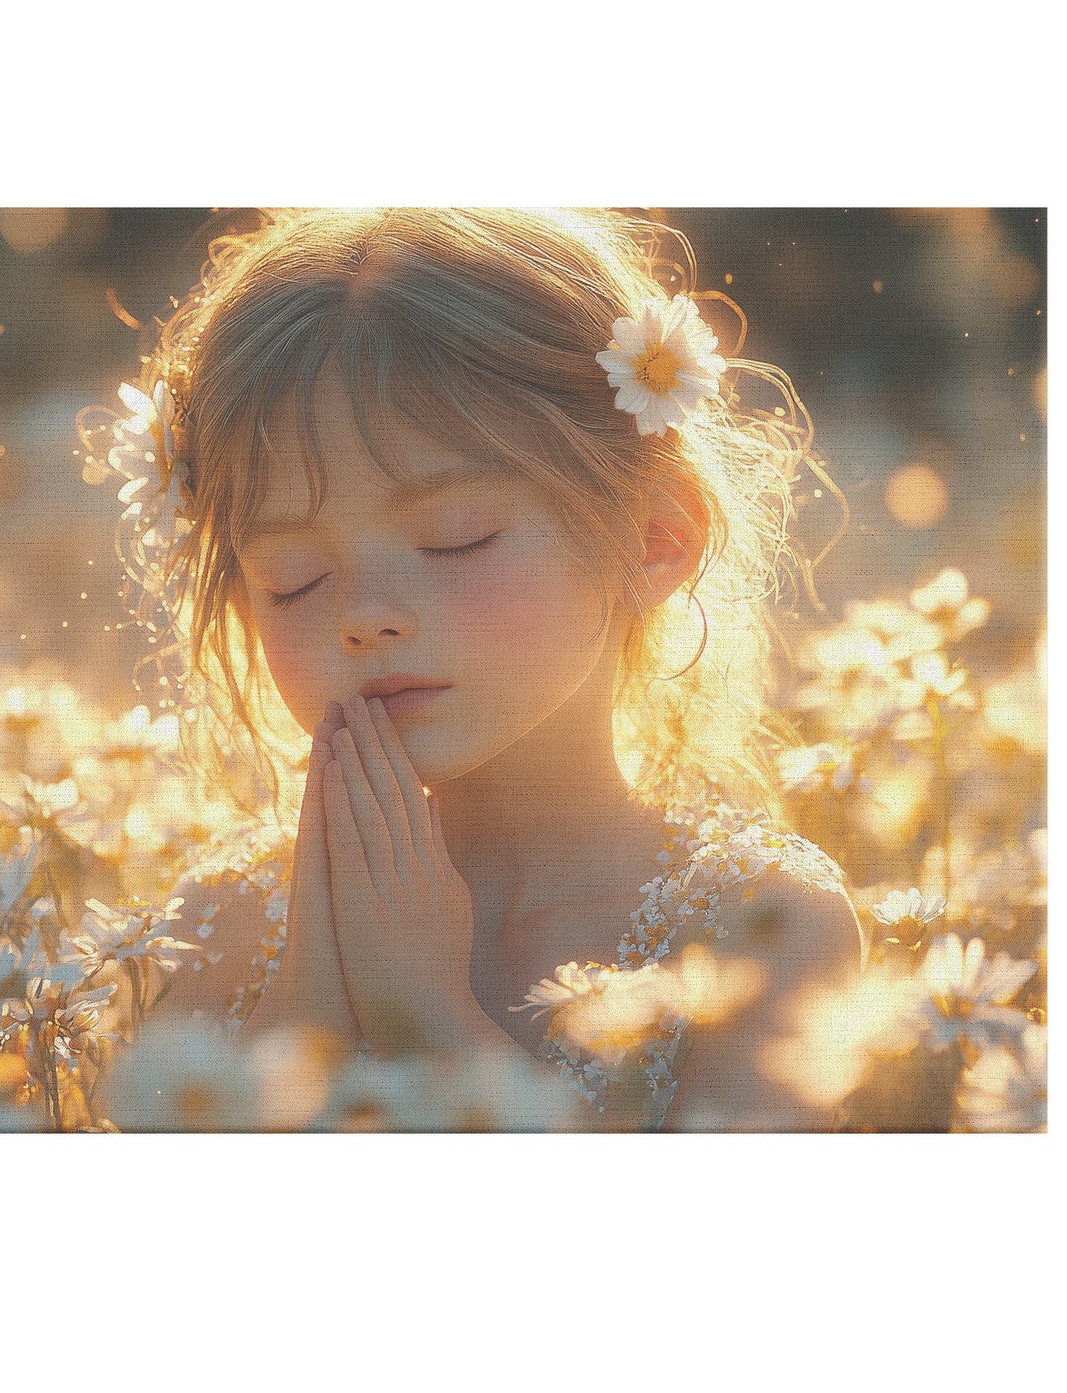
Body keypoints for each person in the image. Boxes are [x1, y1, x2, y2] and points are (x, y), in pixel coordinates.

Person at [82, 208, 864, 1131]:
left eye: (455, 539)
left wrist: (429, 1024)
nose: (364, 614)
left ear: (654, 536)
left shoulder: (759, 931)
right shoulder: (213, 923)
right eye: (295, 577)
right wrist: (302, 1019)